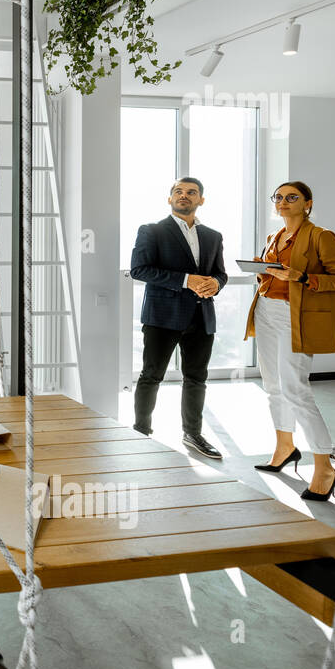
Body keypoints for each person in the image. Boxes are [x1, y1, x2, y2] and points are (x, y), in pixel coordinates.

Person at [247, 181, 335, 501]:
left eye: (291, 197)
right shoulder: (273, 237)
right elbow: (274, 277)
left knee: (295, 389)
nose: (283, 202)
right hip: (266, 311)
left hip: (297, 316)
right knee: (274, 387)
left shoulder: (322, 236)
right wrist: (262, 272)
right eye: (278, 197)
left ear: (307, 203)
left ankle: (324, 467)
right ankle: (285, 448)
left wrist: (302, 277)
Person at [129, 177, 229, 459]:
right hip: (162, 316)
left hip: (201, 316)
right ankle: (141, 432)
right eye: (178, 192)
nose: (184, 195)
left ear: (201, 200)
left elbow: (220, 272)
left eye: (191, 192)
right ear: (169, 198)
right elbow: (140, 270)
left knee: (196, 378)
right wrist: (186, 280)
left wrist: (217, 284)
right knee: (151, 376)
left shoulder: (213, 236)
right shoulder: (151, 231)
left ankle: (193, 434)